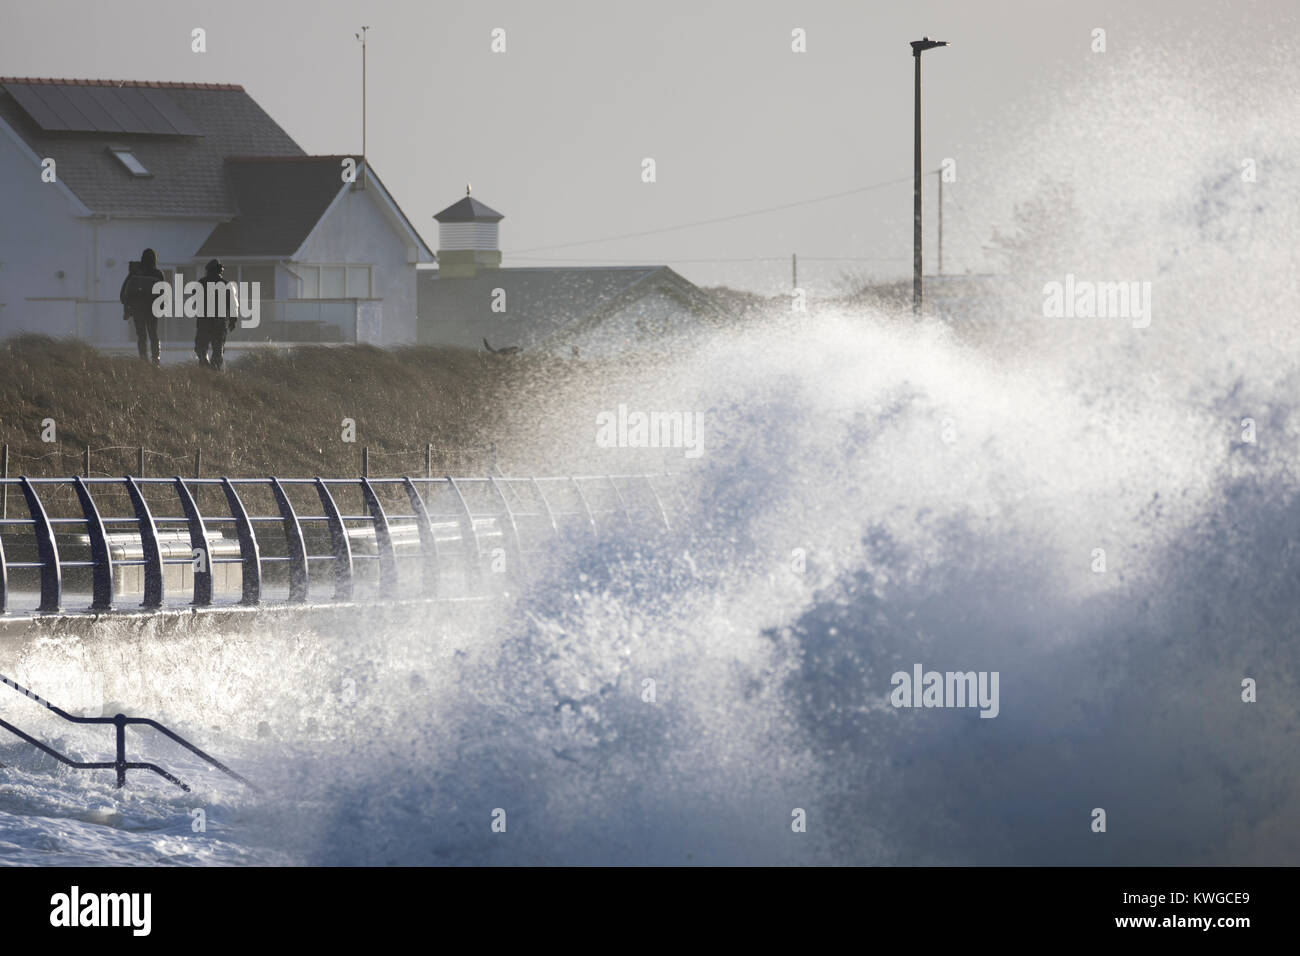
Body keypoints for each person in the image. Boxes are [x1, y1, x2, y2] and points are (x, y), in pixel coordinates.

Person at [118, 248, 165, 366]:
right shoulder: (157, 273)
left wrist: (127, 306)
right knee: (153, 335)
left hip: (137, 310)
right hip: (152, 310)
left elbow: (124, 292)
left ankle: (143, 360)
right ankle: (156, 360)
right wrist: (162, 307)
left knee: (141, 336)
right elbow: (163, 293)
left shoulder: (134, 273)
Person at [195, 258, 239, 370]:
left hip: (204, 322)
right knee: (218, 348)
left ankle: (205, 368)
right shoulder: (226, 284)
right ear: (220, 270)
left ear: (209, 270)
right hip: (220, 323)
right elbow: (233, 305)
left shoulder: (201, 283)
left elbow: (195, 302)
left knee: (201, 348)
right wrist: (233, 320)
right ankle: (215, 371)